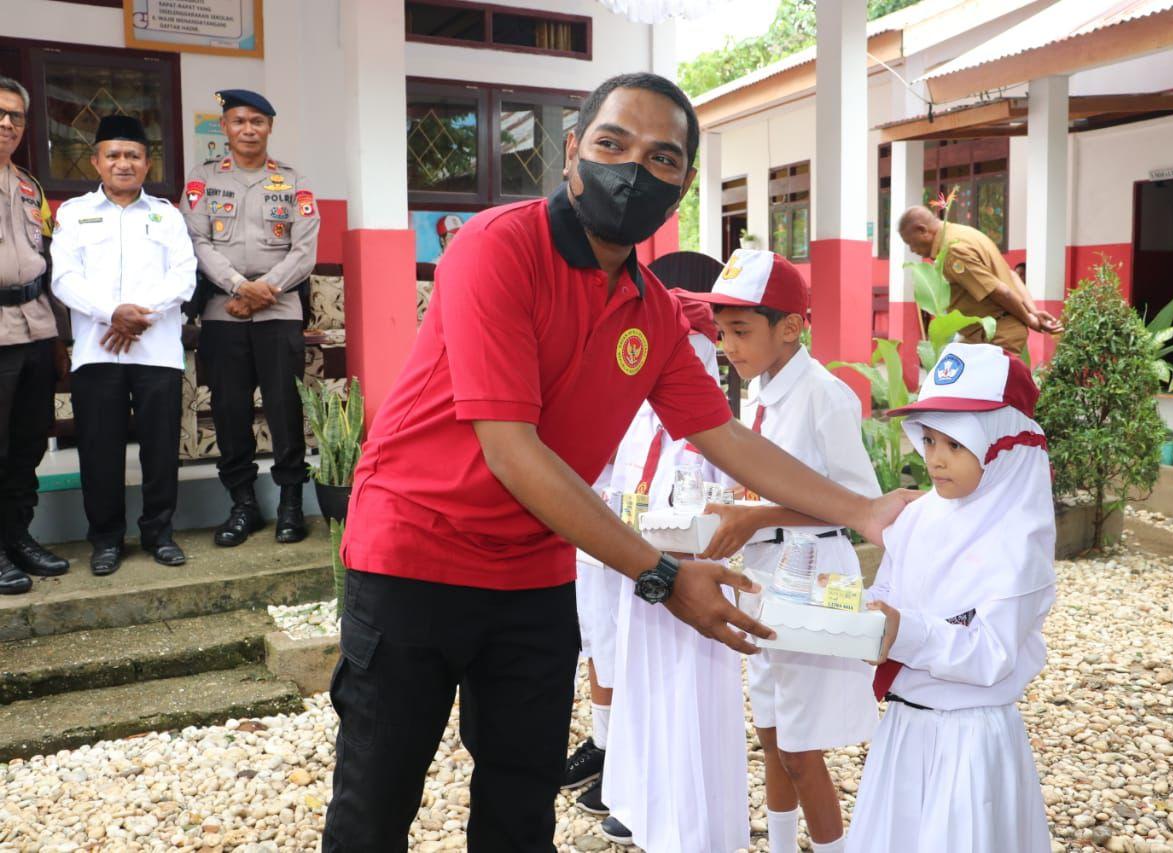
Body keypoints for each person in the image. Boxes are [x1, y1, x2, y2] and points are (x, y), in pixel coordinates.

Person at [322, 72, 915, 852]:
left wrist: (865, 510)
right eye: (612, 143)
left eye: (662, 158)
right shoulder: (498, 249)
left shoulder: (653, 313)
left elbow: (726, 439)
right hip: (415, 558)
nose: (633, 169)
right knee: (376, 801)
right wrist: (663, 578)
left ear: (682, 186)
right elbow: (510, 449)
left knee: (520, 801)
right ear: (572, 151)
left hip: (532, 576)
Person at [686, 249, 882, 853]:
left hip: (816, 576)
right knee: (770, 732)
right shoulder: (765, 390)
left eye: (741, 332)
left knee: (799, 748)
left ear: (791, 328)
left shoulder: (826, 397)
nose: (728, 346)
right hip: (769, 575)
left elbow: (861, 506)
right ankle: (778, 843)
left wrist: (759, 515)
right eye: (722, 332)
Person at [851, 341, 1055, 852]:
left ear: (1002, 445)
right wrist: (848, 618)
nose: (936, 458)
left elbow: (991, 654)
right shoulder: (919, 515)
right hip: (904, 728)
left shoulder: (1017, 541)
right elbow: (886, 594)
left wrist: (903, 631)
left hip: (969, 739)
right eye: (931, 440)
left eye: (955, 445)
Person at [598, 290, 748, 851]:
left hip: (689, 589)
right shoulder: (640, 419)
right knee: (643, 693)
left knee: (688, 705)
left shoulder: (711, 424)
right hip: (640, 581)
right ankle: (647, 806)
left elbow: (728, 501)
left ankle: (692, 825)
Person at [51, 115, 196, 575]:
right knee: (99, 449)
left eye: (132, 155)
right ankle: (106, 540)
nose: (123, 163)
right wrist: (110, 313)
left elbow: (184, 277)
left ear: (146, 163)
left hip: (157, 352)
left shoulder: (167, 215)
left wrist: (137, 315)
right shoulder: (73, 214)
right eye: (113, 155)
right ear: (96, 161)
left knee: (159, 447)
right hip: (97, 350)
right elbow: (64, 278)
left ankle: (159, 534)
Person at [180, 89, 318, 548]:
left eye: (257, 121)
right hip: (223, 309)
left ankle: (291, 505)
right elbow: (197, 244)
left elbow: (304, 252)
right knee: (230, 410)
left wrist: (263, 292)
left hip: (280, 308)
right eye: (239, 121)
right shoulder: (202, 180)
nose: (248, 129)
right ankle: (243, 505)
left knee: (285, 408)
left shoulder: (294, 181)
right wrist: (240, 288)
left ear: (269, 127)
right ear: (225, 127)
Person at [0, 76, 70, 595]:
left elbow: (47, 262)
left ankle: (19, 538)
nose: (6, 124)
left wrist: (58, 338)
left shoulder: (30, 186)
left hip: (34, 325)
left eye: (15, 116)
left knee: (27, 446)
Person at [898, 206, 1061, 353]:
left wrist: (1030, 319)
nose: (912, 250)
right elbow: (1011, 275)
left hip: (995, 336)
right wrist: (1033, 311)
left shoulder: (953, 251)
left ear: (922, 230)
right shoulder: (964, 232)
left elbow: (1000, 291)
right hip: (981, 335)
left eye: (910, 243)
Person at [560, 463, 617, 803]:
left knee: (617, 637)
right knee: (595, 633)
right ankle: (603, 742)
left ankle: (623, 756)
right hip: (587, 495)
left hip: (625, 506)